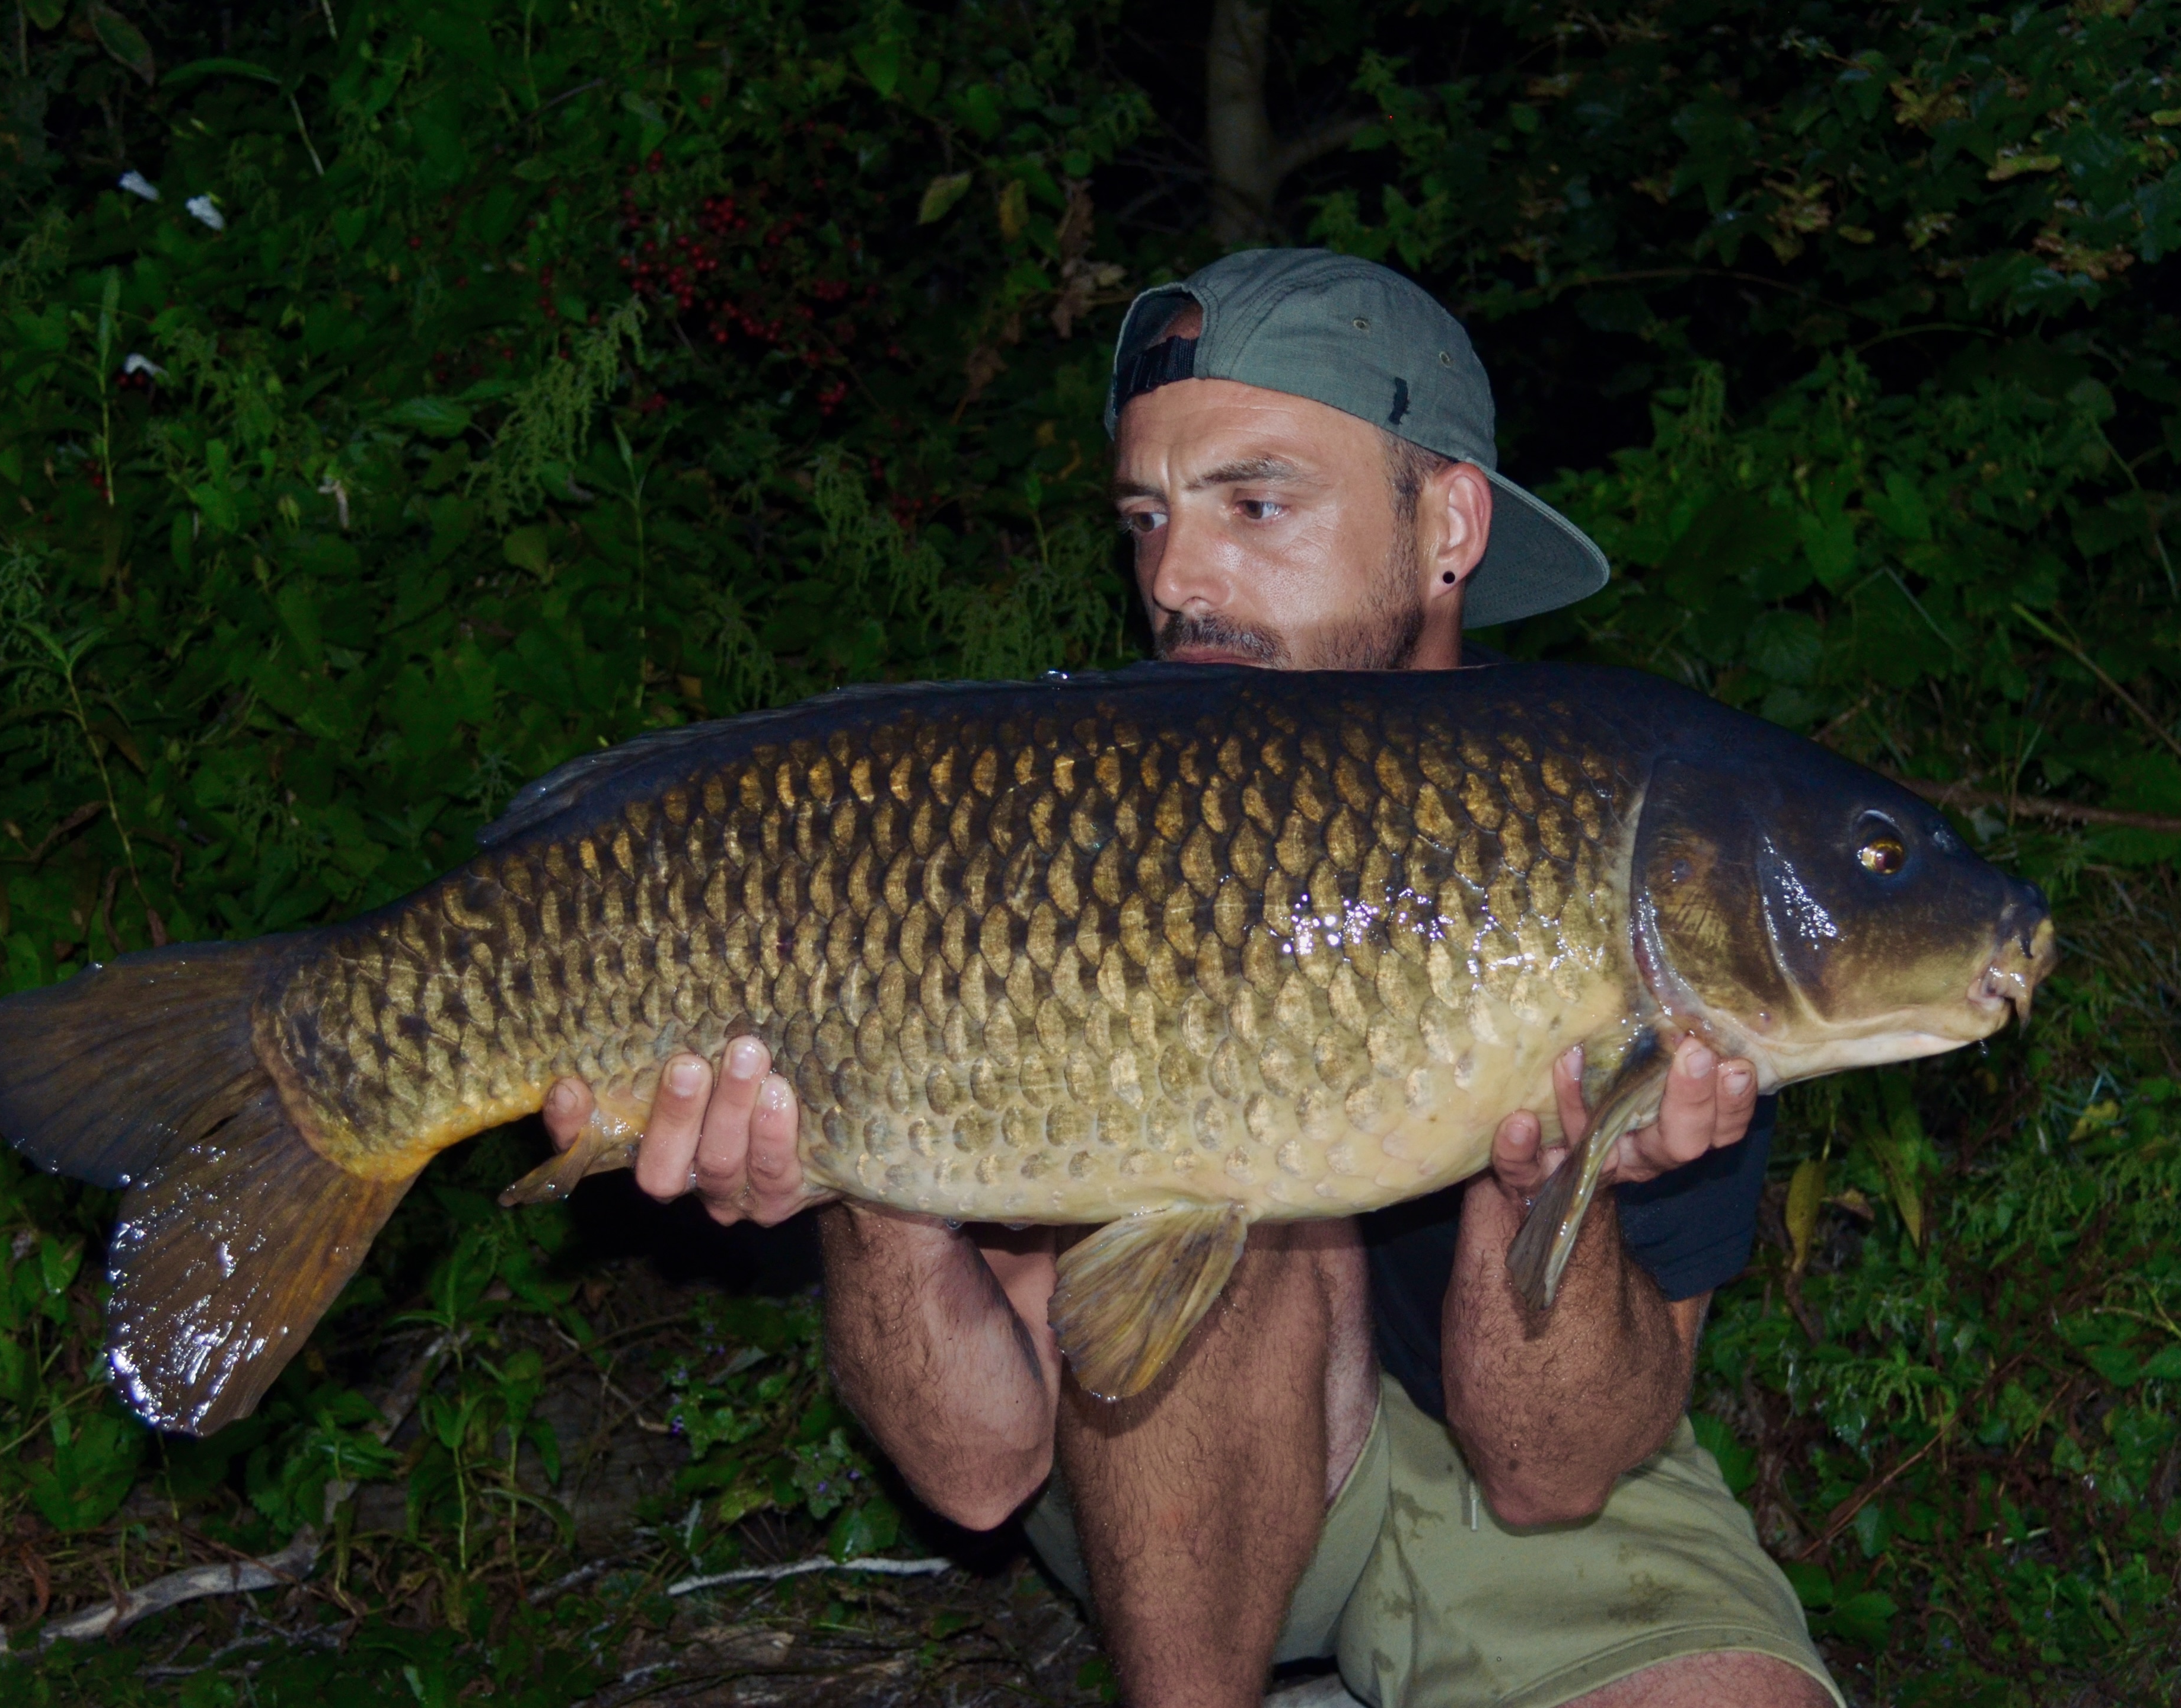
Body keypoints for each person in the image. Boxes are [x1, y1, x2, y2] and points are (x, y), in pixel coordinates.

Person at [540, 250, 1841, 1708]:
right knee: (1236, 1216)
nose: (1174, 579)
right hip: (1180, 1491)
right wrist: (861, 1152)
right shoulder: (1055, 829)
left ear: (1449, 524)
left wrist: (1556, 1178)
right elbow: (976, 1469)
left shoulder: (1624, 834)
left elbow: (1555, 1475)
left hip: (1517, 1505)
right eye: (1147, 517)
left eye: (1255, 505)